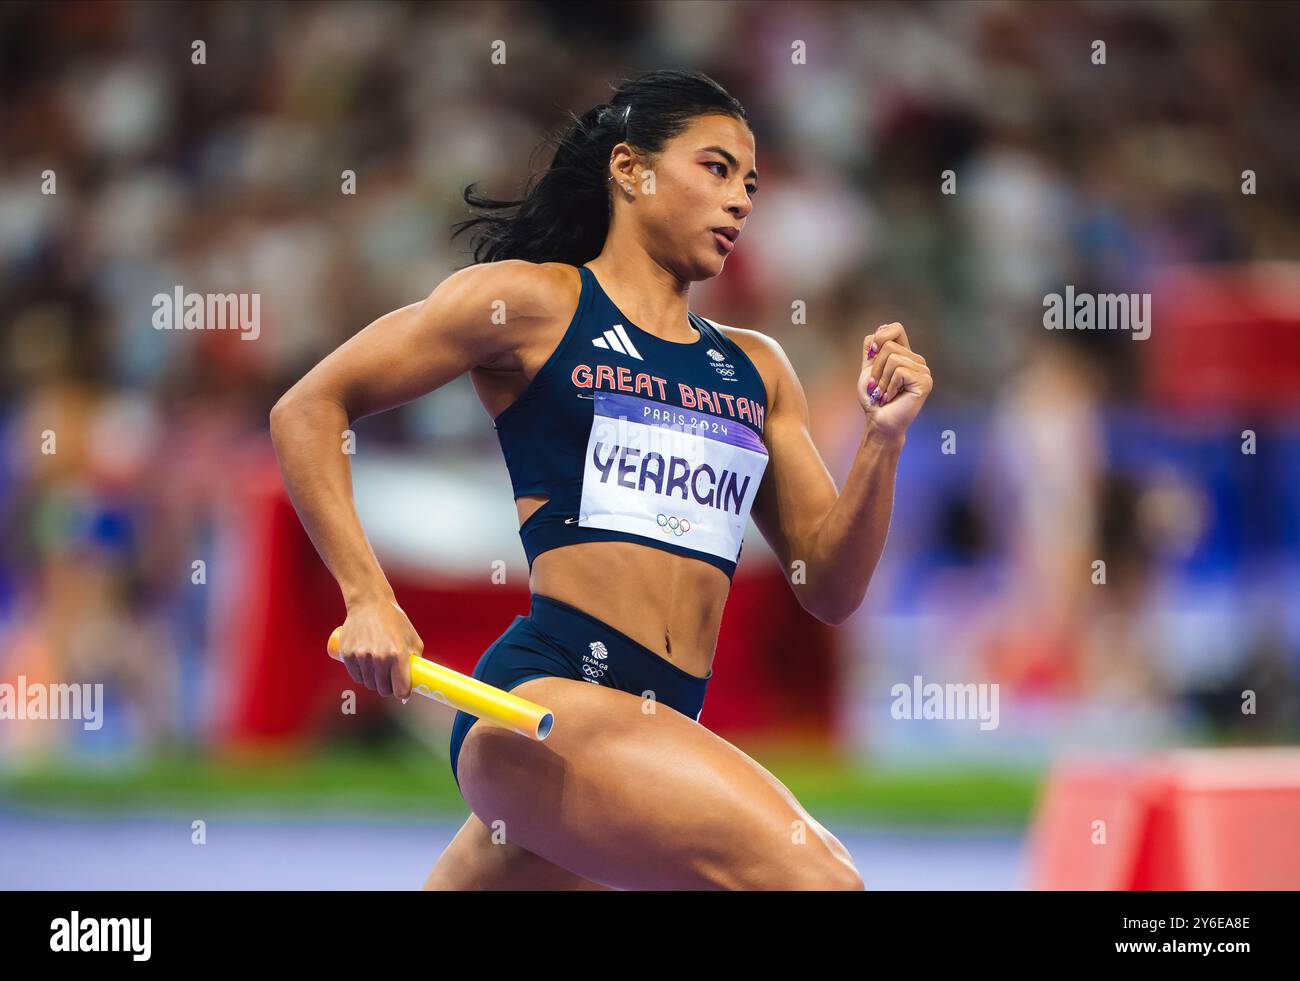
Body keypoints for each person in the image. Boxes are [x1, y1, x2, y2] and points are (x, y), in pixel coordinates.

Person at [269, 69, 932, 890]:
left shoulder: (756, 368)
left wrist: (881, 442)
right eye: (716, 168)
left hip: (644, 734)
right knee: (819, 882)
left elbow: (830, 586)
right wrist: (368, 594)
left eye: (751, 183)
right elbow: (308, 408)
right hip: (543, 708)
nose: (741, 201)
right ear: (630, 170)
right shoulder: (535, 303)